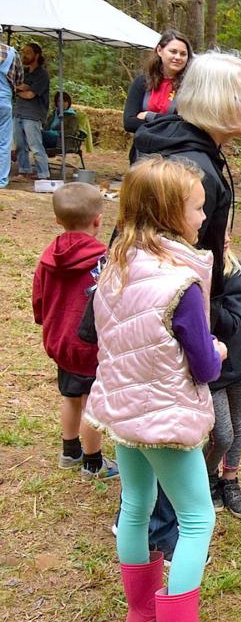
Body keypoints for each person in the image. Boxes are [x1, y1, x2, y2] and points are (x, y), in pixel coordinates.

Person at [85, 156, 235, 622]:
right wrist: (215, 351)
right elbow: (202, 365)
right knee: (198, 519)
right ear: (172, 213)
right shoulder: (180, 284)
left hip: (123, 412)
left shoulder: (115, 267)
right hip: (165, 418)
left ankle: (141, 609)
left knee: (135, 504)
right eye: (197, 208)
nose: (204, 217)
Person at [127, 50, 241, 559]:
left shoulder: (192, 147)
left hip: (176, 312)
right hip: (173, 321)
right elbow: (168, 267)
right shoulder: (192, 167)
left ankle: (156, 529)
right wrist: (208, 326)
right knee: (174, 423)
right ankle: (162, 543)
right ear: (217, 102)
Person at [32, 182, 119, 479]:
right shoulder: (105, 259)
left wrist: (47, 322)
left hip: (60, 342)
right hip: (90, 345)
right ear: (98, 220)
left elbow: (39, 298)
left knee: (70, 396)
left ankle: (70, 452)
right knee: (91, 403)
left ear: (58, 220)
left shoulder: (47, 257)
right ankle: (93, 462)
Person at [204, 233, 241, 519]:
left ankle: (230, 480)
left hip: (238, 362)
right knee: (221, 434)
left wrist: (206, 296)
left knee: (235, 425)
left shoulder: (234, 272)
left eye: (225, 231)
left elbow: (232, 322)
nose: (223, 237)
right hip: (209, 367)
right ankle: (204, 477)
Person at [124, 30, 192, 163]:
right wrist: (169, 122)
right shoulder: (142, 82)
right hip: (142, 154)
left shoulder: (189, 86)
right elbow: (129, 123)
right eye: (173, 51)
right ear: (160, 51)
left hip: (176, 155)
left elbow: (186, 123)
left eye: (183, 54)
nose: (178, 57)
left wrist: (150, 116)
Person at [13, 42, 50, 181]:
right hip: (19, 112)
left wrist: (16, 89)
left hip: (33, 115)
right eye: (23, 52)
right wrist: (20, 88)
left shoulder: (42, 74)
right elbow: (21, 86)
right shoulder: (24, 72)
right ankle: (24, 171)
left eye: (28, 52)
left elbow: (30, 94)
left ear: (37, 55)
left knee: (35, 146)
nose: (24, 55)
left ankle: (43, 174)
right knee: (20, 145)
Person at [0, 42, 21, 189]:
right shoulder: (12, 53)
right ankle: (1, 180)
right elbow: (19, 80)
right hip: (4, 102)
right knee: (4, 142)